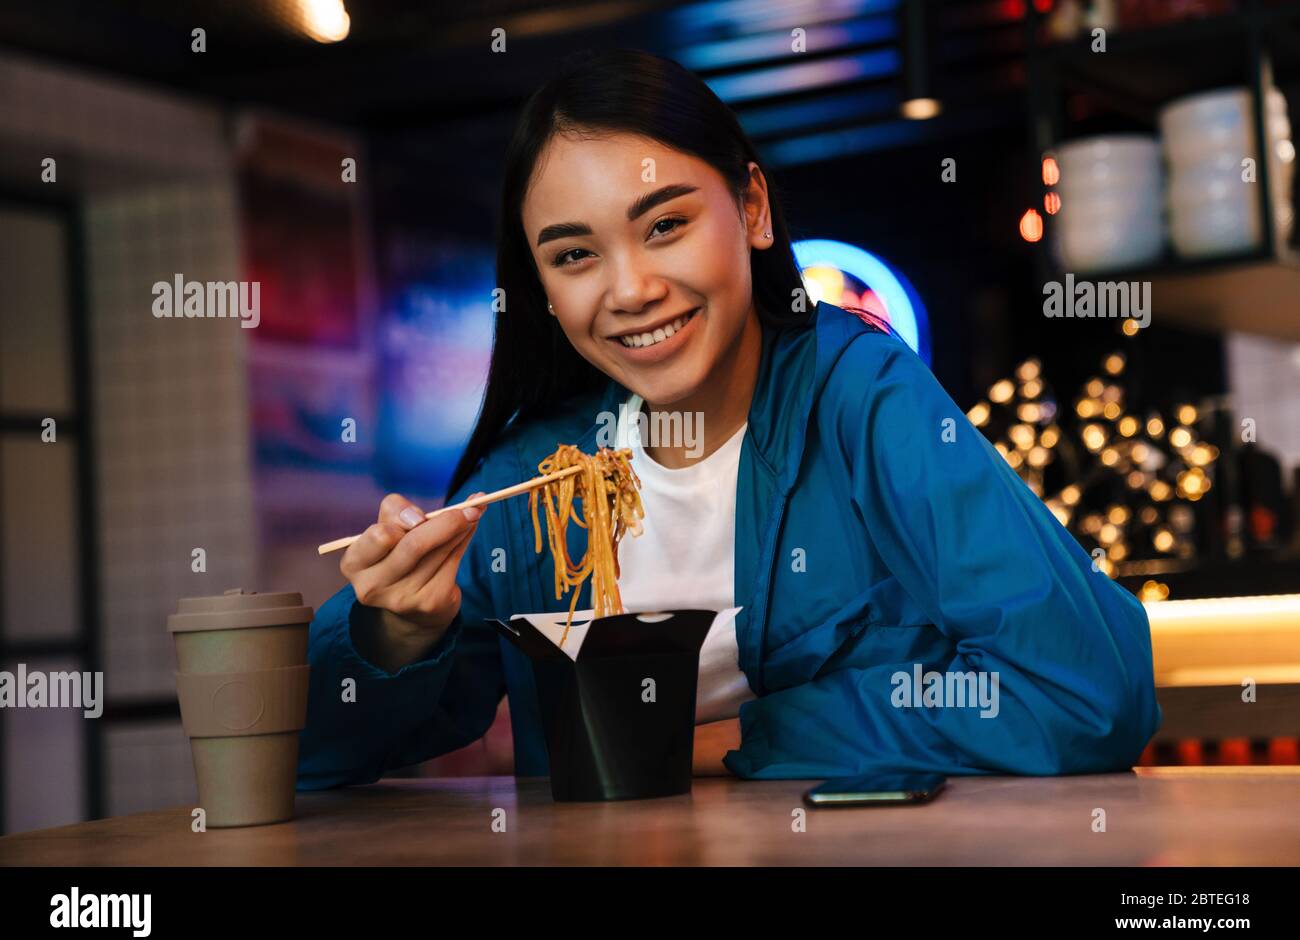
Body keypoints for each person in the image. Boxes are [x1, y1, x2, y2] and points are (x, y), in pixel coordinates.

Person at [297, 48, 1160, 790]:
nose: (631, 289)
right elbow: (310, 754)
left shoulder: (858, 396)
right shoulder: (538, 478)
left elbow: (1086, 692)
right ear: (543, 288)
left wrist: (736, 740)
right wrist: (391, 634)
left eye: (665, 224)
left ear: (752, 208)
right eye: (575, 254)